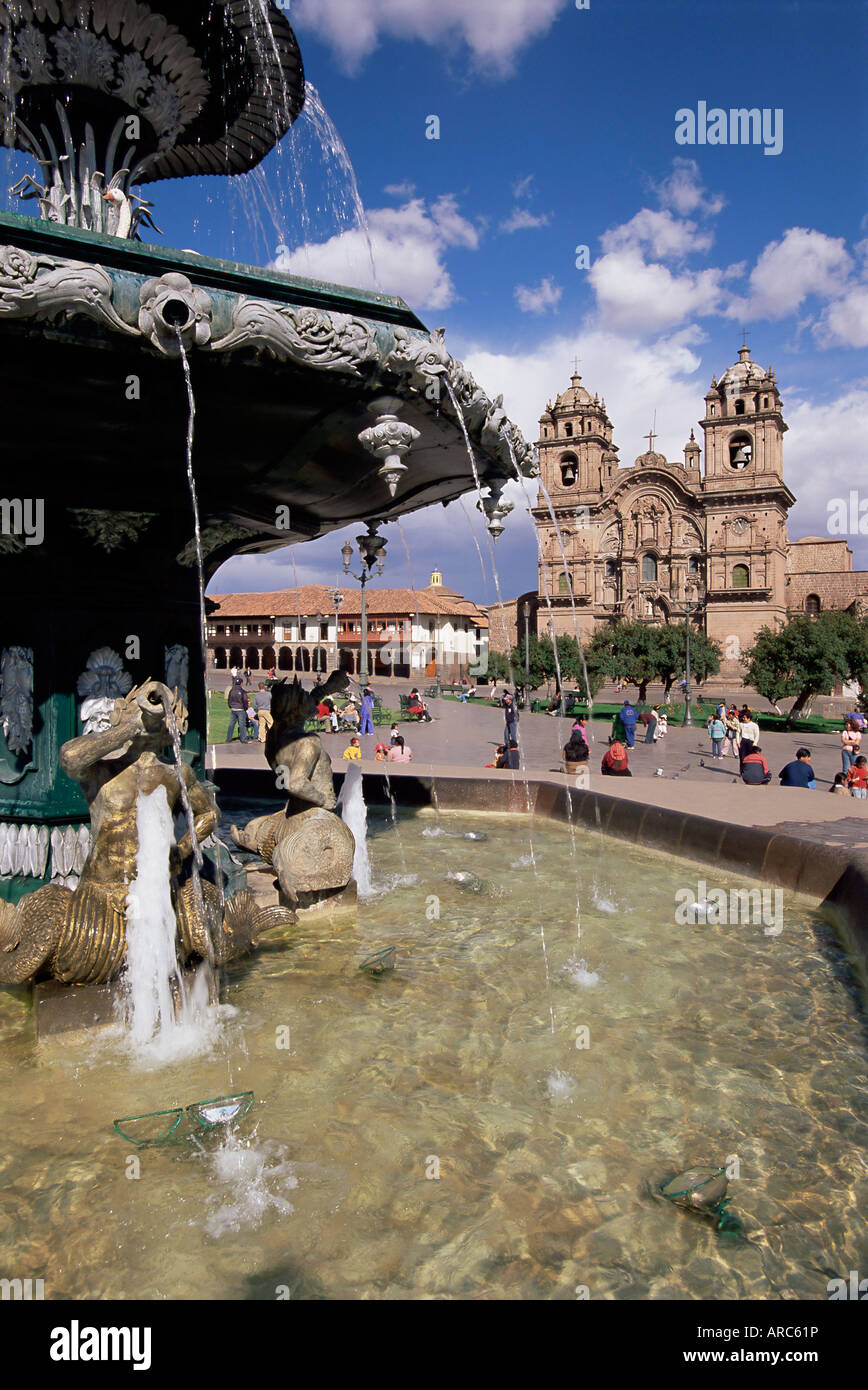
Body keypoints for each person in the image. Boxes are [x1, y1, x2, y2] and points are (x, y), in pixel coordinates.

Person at [226, 675, 249, 744]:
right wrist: (245, 708)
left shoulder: (231, 690)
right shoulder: (242, 691)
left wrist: (231, 706)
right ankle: (243, 739)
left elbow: (229, 700)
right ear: (241, 683)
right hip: (240, 709)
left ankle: (228, 738)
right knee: (242, 725)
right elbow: (245, 701)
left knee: (231, 724)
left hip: (233, 709)